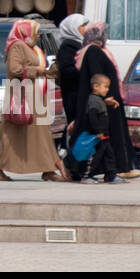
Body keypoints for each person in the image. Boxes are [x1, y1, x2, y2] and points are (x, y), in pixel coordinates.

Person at [0, 18, 65, 182]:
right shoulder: (17, 46)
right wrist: (36, 70)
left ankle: (48, 169)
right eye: (35, 32)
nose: (37, 35)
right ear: (25, 32)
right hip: (23, 97)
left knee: (41, 134)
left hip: (36, 96)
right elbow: (14, 69)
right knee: (15, 135)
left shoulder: (33, 48)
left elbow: (39, 70)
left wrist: (49, 71)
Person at [74, 23, 140, 179]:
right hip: (102, 104)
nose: (105, 35)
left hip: (108, 102)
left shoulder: (99, 51)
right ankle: (93, 172)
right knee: (100, 140)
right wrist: (105, 97)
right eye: (102, 33)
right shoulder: (92, 51)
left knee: (108, 141)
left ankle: (114, 171)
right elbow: (97, 76)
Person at [53, 13, 87, 179]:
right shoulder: (69, 46)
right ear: (73, 28)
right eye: (82, 26)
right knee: (75, 126)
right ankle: (69, 163)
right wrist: (85, 71)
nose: (85, 29)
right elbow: (67, 70)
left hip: (78, 92)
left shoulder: (78, 44)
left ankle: (71, 162)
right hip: (73, 94)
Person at [79, 74, 119, 183]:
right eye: (105, 87)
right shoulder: (93, 100)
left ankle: (111, 175)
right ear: (96, 86)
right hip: (97, 136)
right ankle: (87, 176)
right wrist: (98, 131)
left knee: (109, 156)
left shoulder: (99, 100)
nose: (108, 89)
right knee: (94, 157)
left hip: (104, 136)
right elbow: (92, 118)